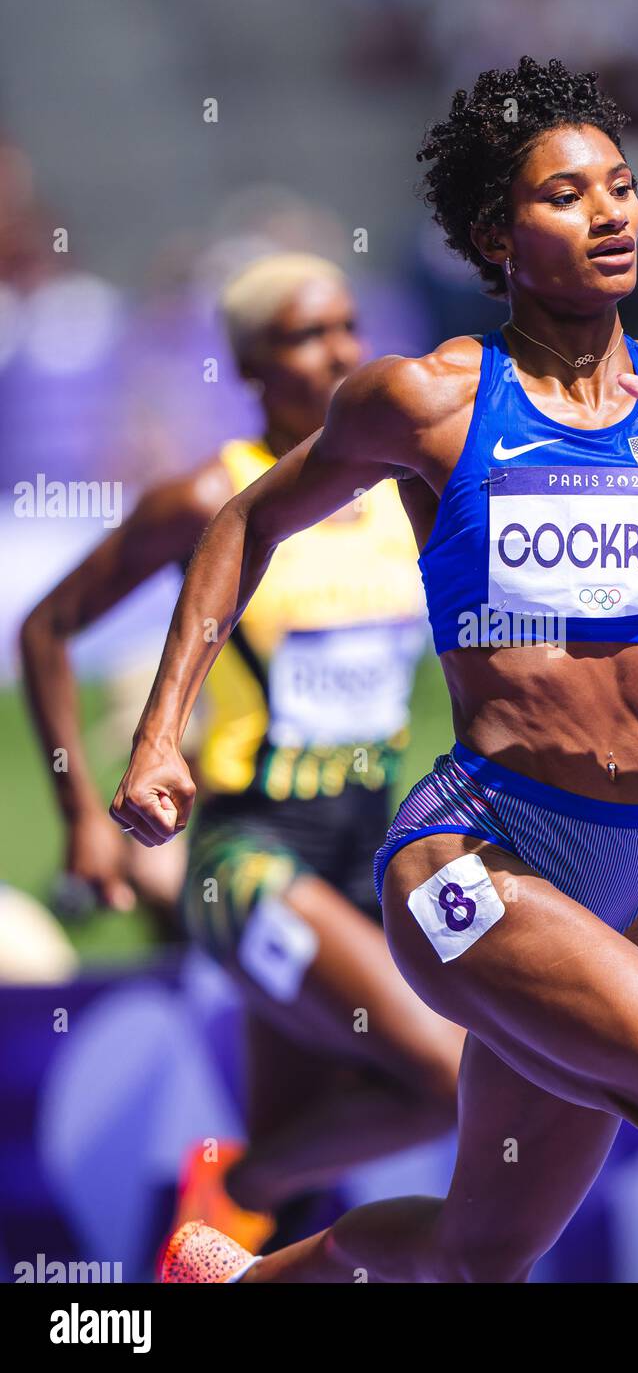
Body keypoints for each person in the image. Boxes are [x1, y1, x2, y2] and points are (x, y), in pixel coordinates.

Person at [112, 60, 638, 1284]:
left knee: (479, 1254)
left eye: (621, 189)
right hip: (473, 859)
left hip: (634, 867)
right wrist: (159, 738)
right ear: (493, 237)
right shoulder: (431, 402)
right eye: (568, 196)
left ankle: (245, 1282)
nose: (612, 213)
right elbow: (241, 522)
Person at [21, 252, 463, 1252]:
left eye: (349, 324)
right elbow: (46, 629)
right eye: (307, 335)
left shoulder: (403, 492)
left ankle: (221, 1228)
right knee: (449, 1077)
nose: (342, 352)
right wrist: (83, 815)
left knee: (277, 1203)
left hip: (372, 860)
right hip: (248, 861)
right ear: (251, 365)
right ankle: (235, 1179)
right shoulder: (206, 498)